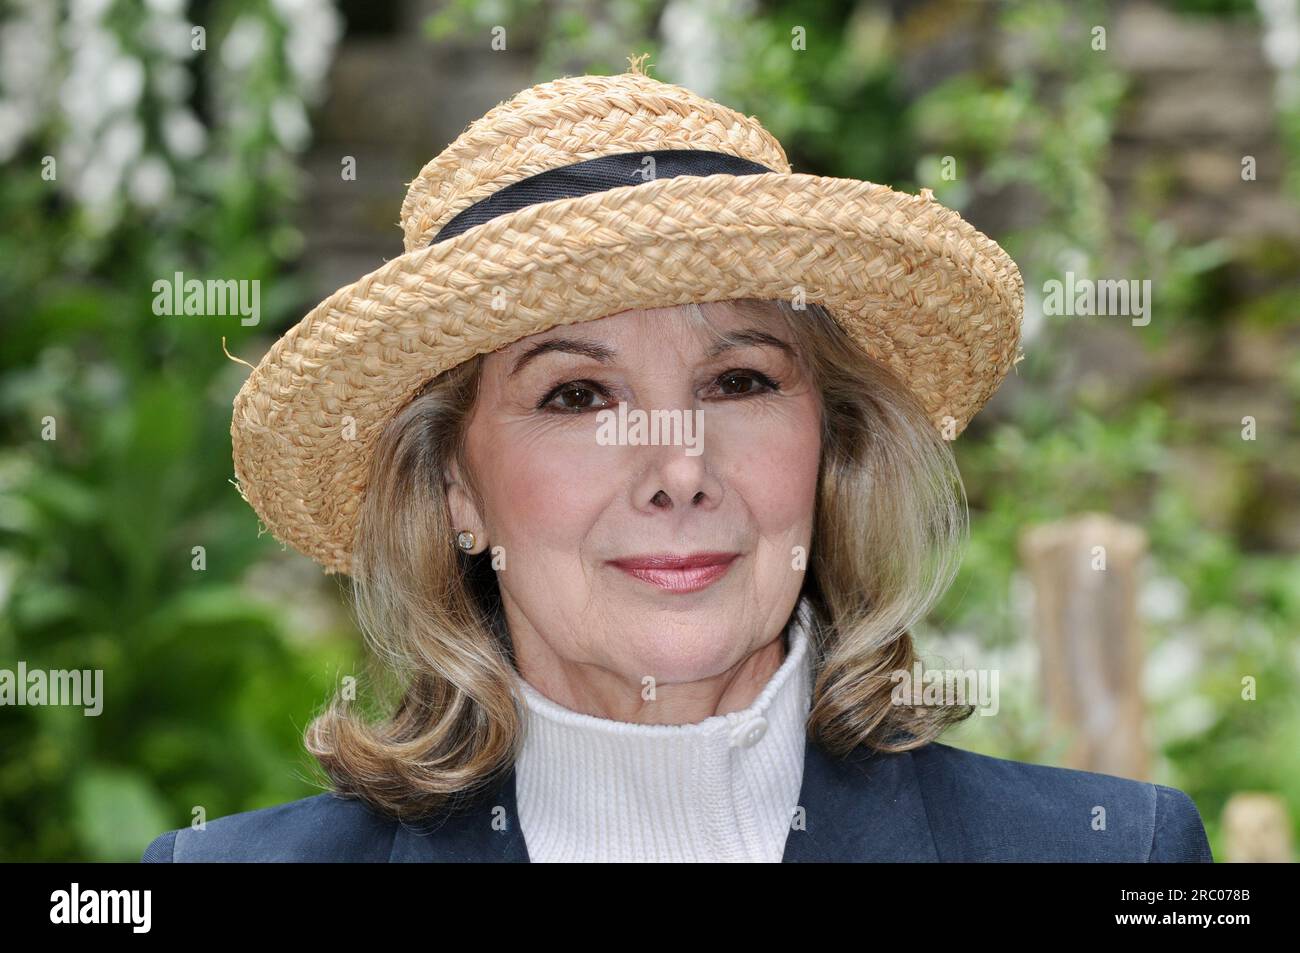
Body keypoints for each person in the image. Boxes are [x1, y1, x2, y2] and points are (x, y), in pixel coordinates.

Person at [142, 56, 1212, 863]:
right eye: (576, 394)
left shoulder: (1112, 854)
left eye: (738, 381)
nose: (677, 467)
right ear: (456, 488)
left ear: (828, 443)